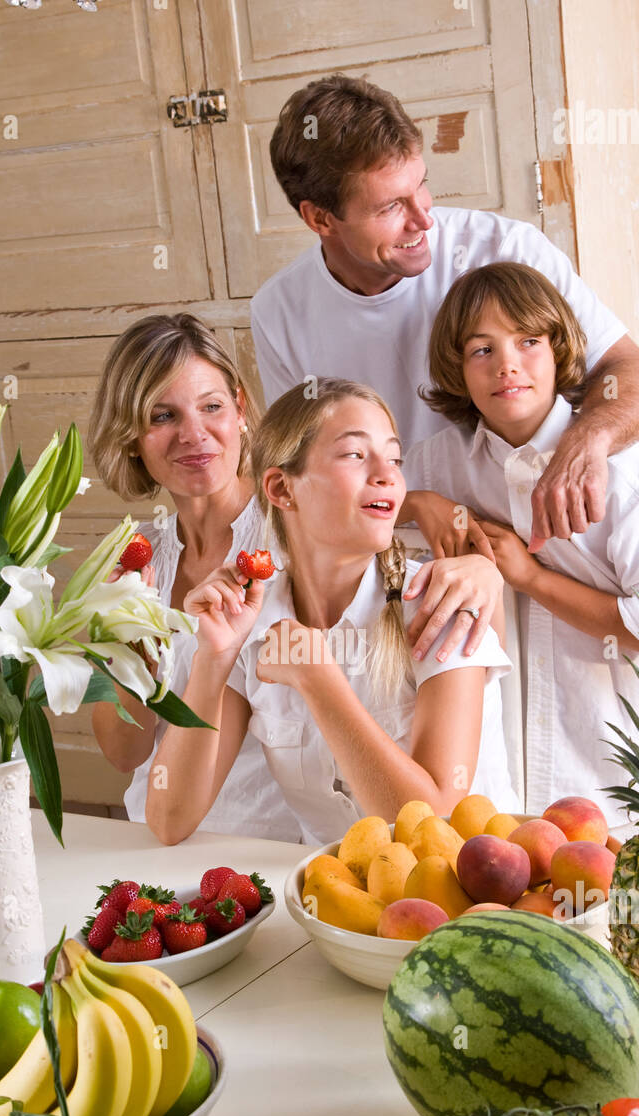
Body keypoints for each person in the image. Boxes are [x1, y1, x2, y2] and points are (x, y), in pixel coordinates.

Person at [88, 314, 502, 836]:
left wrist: (487, 572)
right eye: (163, 415)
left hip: (302, 853)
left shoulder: (426, 597)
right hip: (274, 873)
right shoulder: (219, 599)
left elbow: (431, 829)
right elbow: (152, 796)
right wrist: (171, 651)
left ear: (240, 408)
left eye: (211, 406)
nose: (194, 435)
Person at [251, 73, 639, 554]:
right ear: (320, 218)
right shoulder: (279, 311)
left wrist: (588, 441)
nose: (424, 218)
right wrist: (416, 503)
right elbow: (302, 474)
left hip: (544, 546)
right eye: (390, 206)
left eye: (421, 185)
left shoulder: (505, 249)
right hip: (395, 560)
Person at [401, 261, 639, 822]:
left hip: (609, 777)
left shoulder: (630, 473)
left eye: (528, 341)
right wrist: (417, 502)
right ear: (458, 369)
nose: (507, 365)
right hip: (488, 779)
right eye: (481, 350)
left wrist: (532, 578)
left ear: (558, 349)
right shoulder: (434, 463)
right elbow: (346, 518)